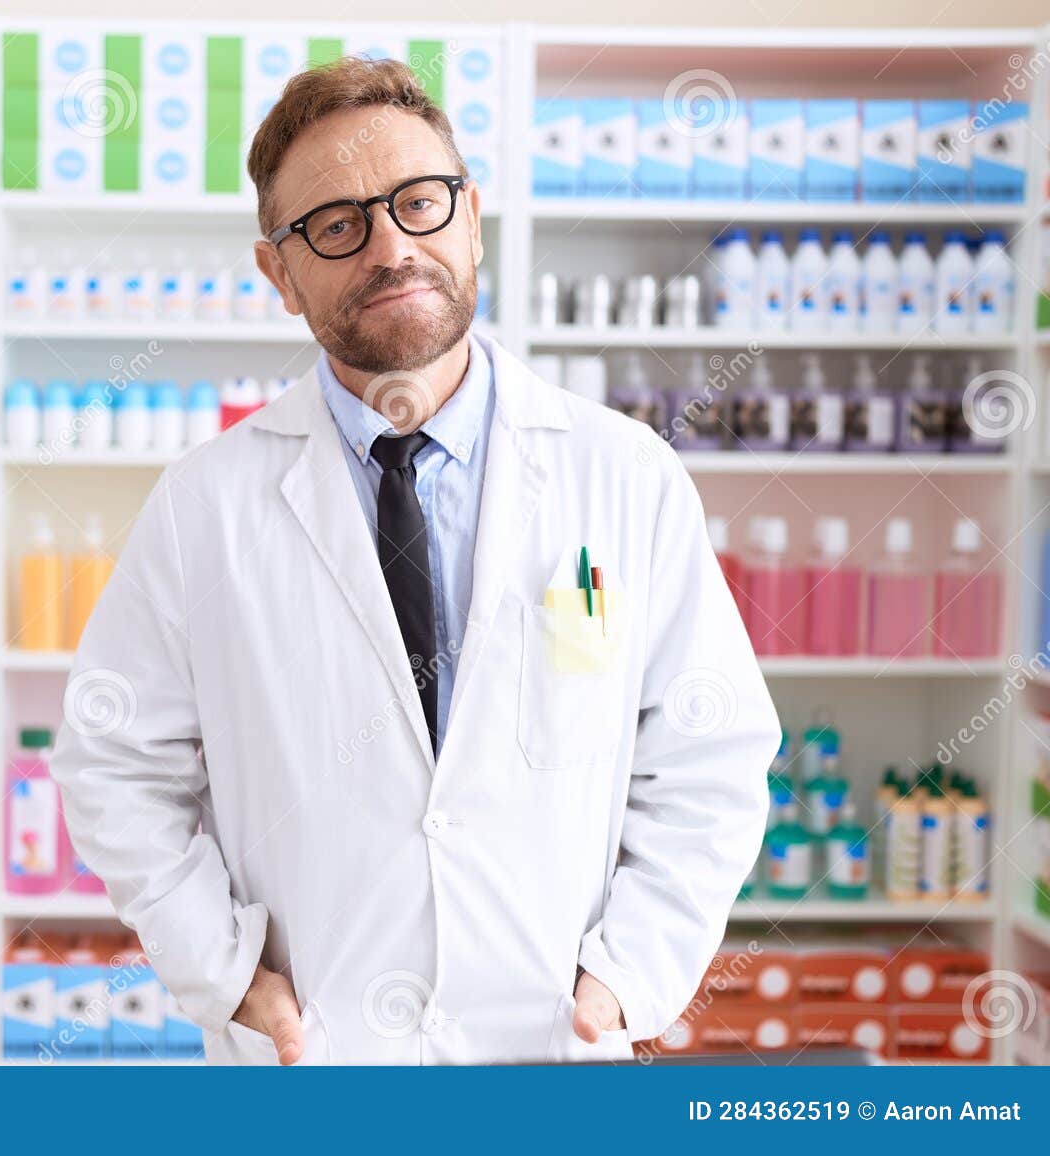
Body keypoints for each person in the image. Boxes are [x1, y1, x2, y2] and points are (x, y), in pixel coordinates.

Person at [49, 56, 779, 1064]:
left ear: (470, 216)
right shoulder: (205, 505)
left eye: (418, 203)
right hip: (321, 1052)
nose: (391, 246)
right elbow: (111, 761)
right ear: (278, 271)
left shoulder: (624, 476)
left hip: (549, 1049)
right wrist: (219, 971)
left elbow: (711, 754)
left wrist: (628, 979)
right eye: (338, 224)